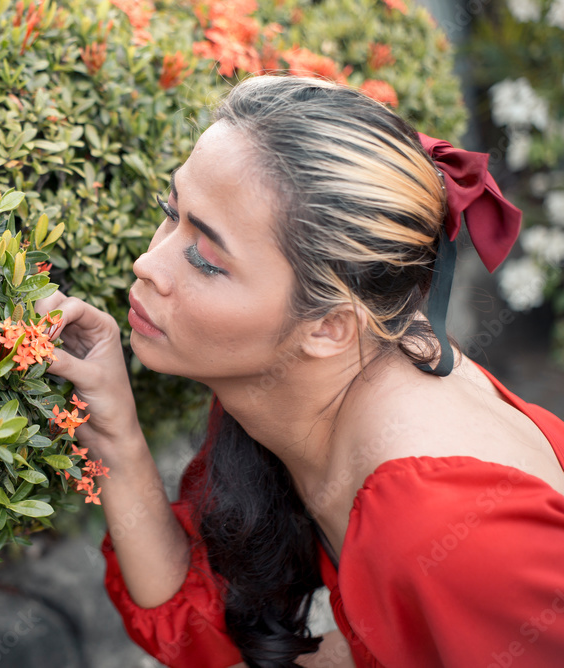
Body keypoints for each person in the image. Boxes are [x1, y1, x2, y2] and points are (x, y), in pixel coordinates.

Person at [36, 75, 564, 668]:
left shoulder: (443, 524)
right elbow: (203, 633)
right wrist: (115, 433)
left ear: (329, 326)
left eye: (206, 260)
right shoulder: (305, 373)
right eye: (171, 212)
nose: (146, 263)